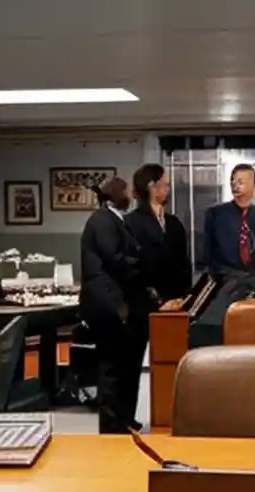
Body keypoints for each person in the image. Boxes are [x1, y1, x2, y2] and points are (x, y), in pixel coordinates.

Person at [78, 176, 151, 434]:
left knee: (124, 366)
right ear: (115, 194)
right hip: (108, 305)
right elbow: (115, 258)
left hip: (116, 303)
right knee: (112, 368)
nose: (131, 195)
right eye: (127, 191)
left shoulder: (113, 219)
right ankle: (111, 427)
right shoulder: (102, 220)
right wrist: (144, 268)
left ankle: (123, 420)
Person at [204, 164, 255, 293]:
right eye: (233, 181)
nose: (235, 185)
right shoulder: (216, 215)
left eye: (240, 182)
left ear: (253, 185)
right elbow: (209, 255)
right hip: (226, 283)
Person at [125, 163, 192, 301]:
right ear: (152, 186)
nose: (168, 187)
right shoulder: (130, 222)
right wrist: (147, 289)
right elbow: (129, 265)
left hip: (175, 300)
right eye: (164, 183)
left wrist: (186, 294)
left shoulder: (174, 223)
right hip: (144, 302)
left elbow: (184, 262)